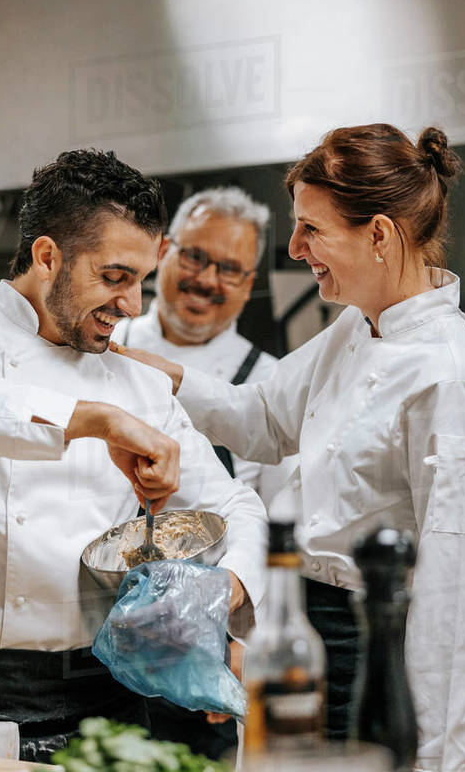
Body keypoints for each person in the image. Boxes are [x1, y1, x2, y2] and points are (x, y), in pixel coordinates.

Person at [113, 124, 465, 772]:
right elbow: (261, 415)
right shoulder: (356, 329)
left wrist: (439, 760)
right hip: (300, 632)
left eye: (312, 230)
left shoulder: (450, 376)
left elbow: (461, 601)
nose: (296, 250)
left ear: (379, 235)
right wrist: (131, 368)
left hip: (369, 654)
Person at [0, 149, 268, 762]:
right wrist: (92, 421)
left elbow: (237, 506)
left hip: (113, 709)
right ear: (48, 256)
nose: (132, 306)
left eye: (141, 281)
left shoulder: (139, 385)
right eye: (113, 278)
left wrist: (224, 592)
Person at [111, 186, 298, 758]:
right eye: (194, 257)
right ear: (163, 250)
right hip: (104, 637)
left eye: (231, 270)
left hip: (210, 647)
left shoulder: (267, 383)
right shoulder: (103, 344)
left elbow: (279, 525)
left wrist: (246, 644)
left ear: (247, 286)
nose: (207, 280)